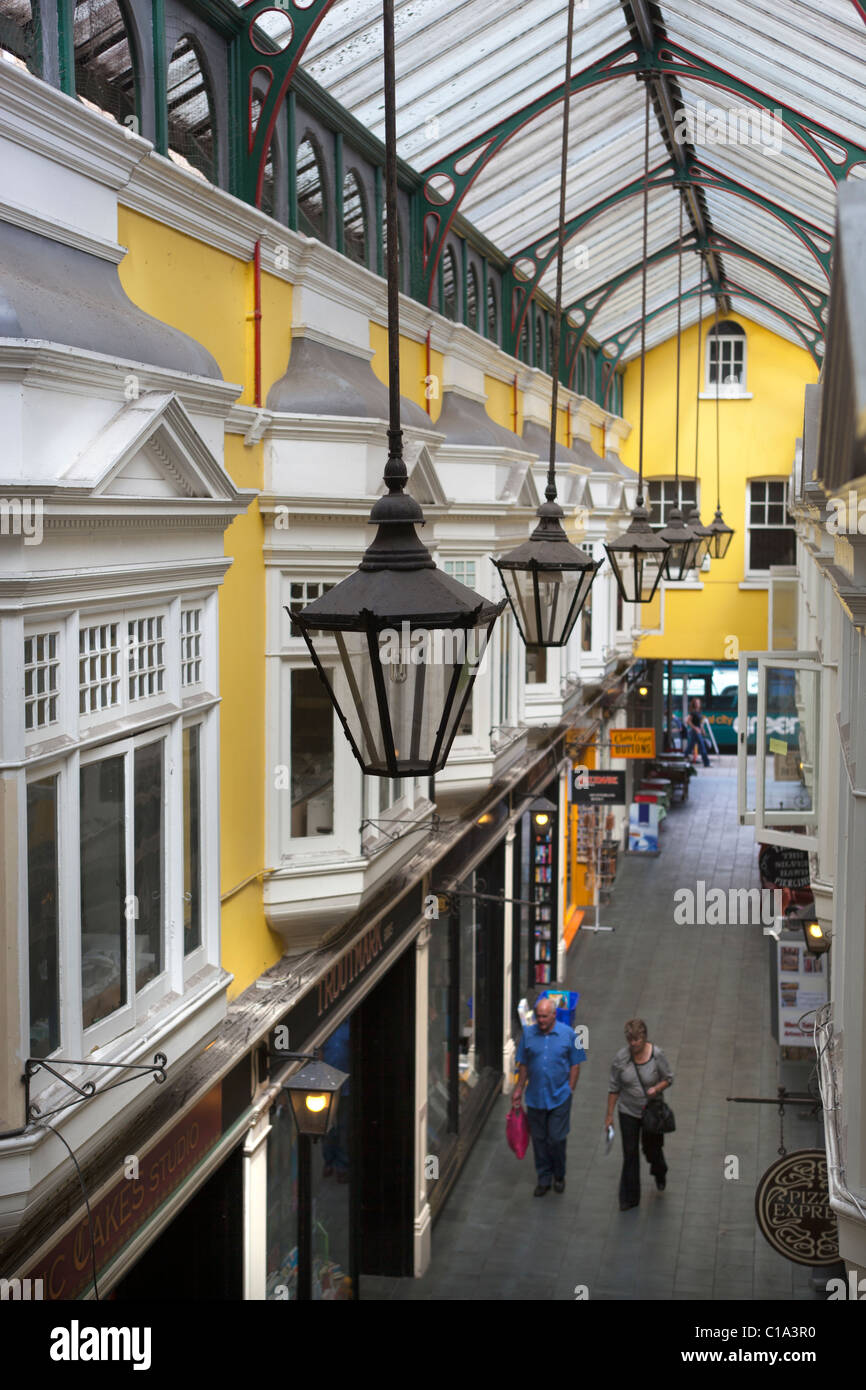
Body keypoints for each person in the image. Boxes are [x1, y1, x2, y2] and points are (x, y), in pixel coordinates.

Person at [513, 996, 585, 1196]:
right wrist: (519, 1088)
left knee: (556, 1138)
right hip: (535, 1098)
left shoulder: (570, 1034)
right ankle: (543, 1177)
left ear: (554, 1015)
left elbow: (576, 1063)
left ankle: (559, 1174)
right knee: (539, 1139)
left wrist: (570, 1089)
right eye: (538, 1016)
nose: (541, 1020)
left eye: (545, 1016)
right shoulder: (528, 1034)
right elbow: (524, 1063)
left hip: (559, 1097)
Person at [605, 1019, 674, 1211]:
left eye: (636, 1040)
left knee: (651, 1149)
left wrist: (656, 1088)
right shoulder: (621, 1059)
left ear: (644, 1038)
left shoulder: (657, 1055)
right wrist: (609, 1115)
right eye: (630, 1040)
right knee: (630, 1153)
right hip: (628, 1111)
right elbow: (614, 1088)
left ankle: (660, 1171)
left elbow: (669, 1078)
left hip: (651, 1111)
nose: (633, 1044)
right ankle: (629, 1197)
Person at [684, 697, 710, 767]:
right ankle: (706, 763)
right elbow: (688, 721)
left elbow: (700, 723)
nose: (699, 704)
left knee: (689, 748)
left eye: (699, 702)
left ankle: (683, 757)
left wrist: (702, 730)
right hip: (695, 732)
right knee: (702, 747)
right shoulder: (693, 712)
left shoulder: (699, 712)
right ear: (695, 704)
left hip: (698, 732)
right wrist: (695, 728)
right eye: (697, 703)